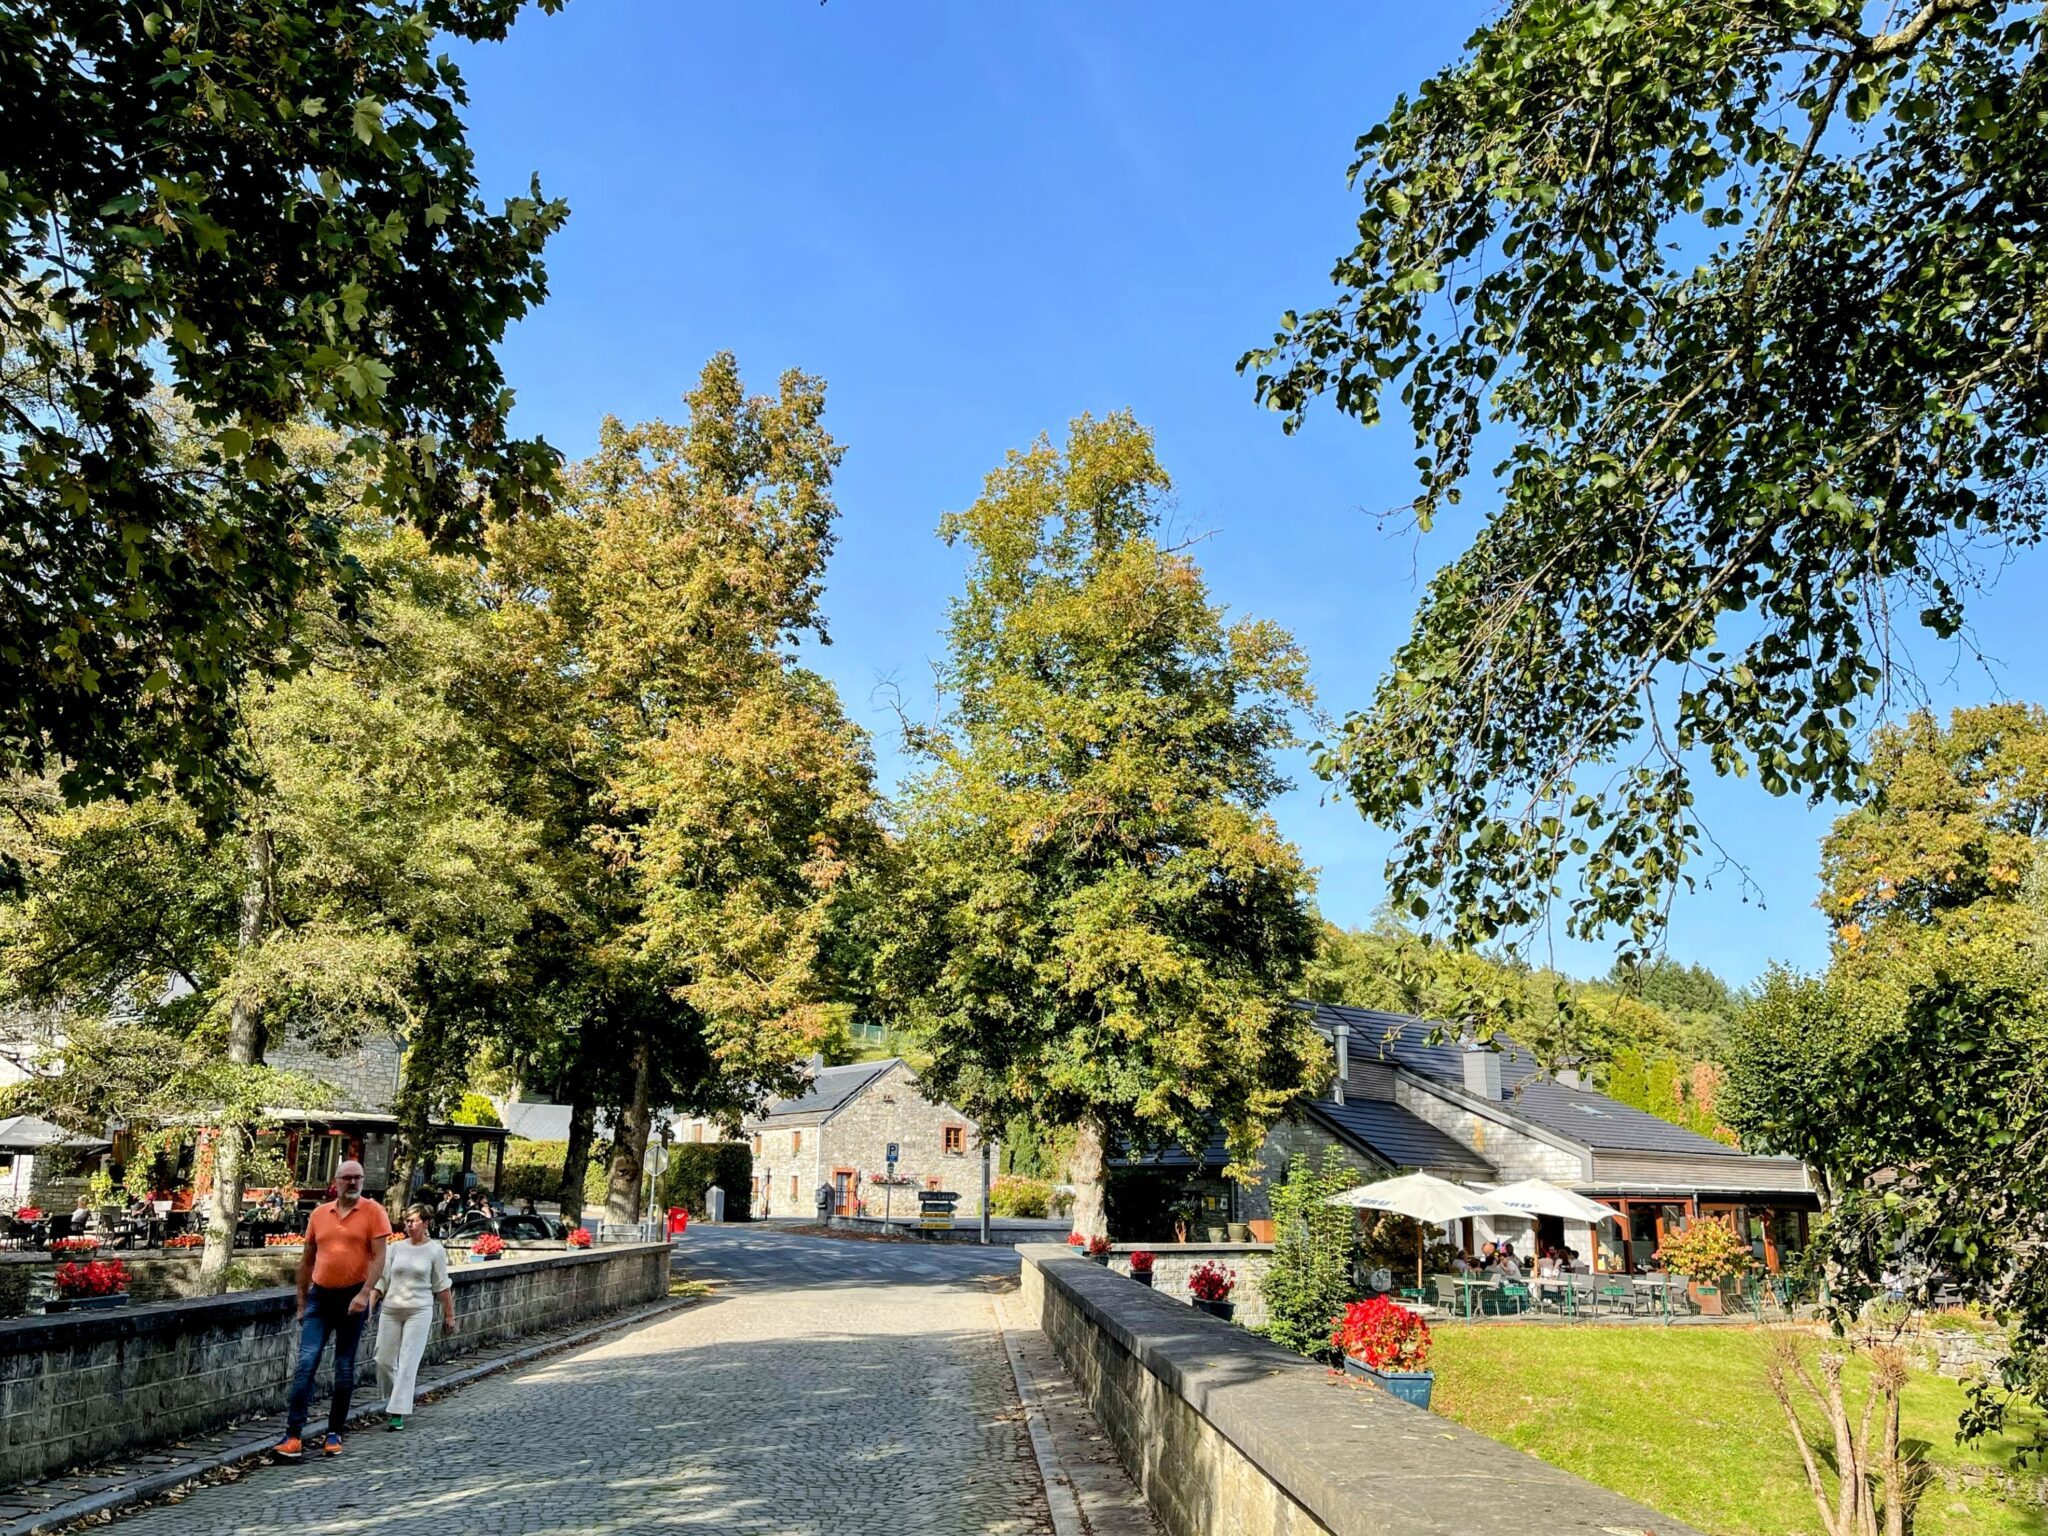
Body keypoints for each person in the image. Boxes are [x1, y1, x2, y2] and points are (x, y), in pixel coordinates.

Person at [273, 1159, 391, 1462]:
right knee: (306, 1364)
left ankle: (334, 1432)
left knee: (343, 1367)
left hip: (353, 1298)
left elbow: (379, 1259)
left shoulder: (373, 1212)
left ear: (362, 1181)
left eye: (357, 1178)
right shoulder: (319, 1215)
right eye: (346, 1178)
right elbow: (307, 1259)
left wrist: (365, 1294)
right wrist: (301, 1300)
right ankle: (293, 1435)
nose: (352, 1183)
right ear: (335, 1182)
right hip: (320, 1298)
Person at [371, 1204, 455, 1432]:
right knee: (383, 1358)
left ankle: (397, 1411)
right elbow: (382, 1278)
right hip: (392, 1308)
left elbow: (442, 1285)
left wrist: (449, 1316)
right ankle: (397, 1397)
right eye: (407, 1221)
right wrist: (371, 1299)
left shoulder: (435, 1250)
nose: (409, 1225)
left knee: (408, 1360)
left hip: (419, 1310)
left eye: (414, 1221)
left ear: (426, 1223)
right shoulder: (395, 1248)